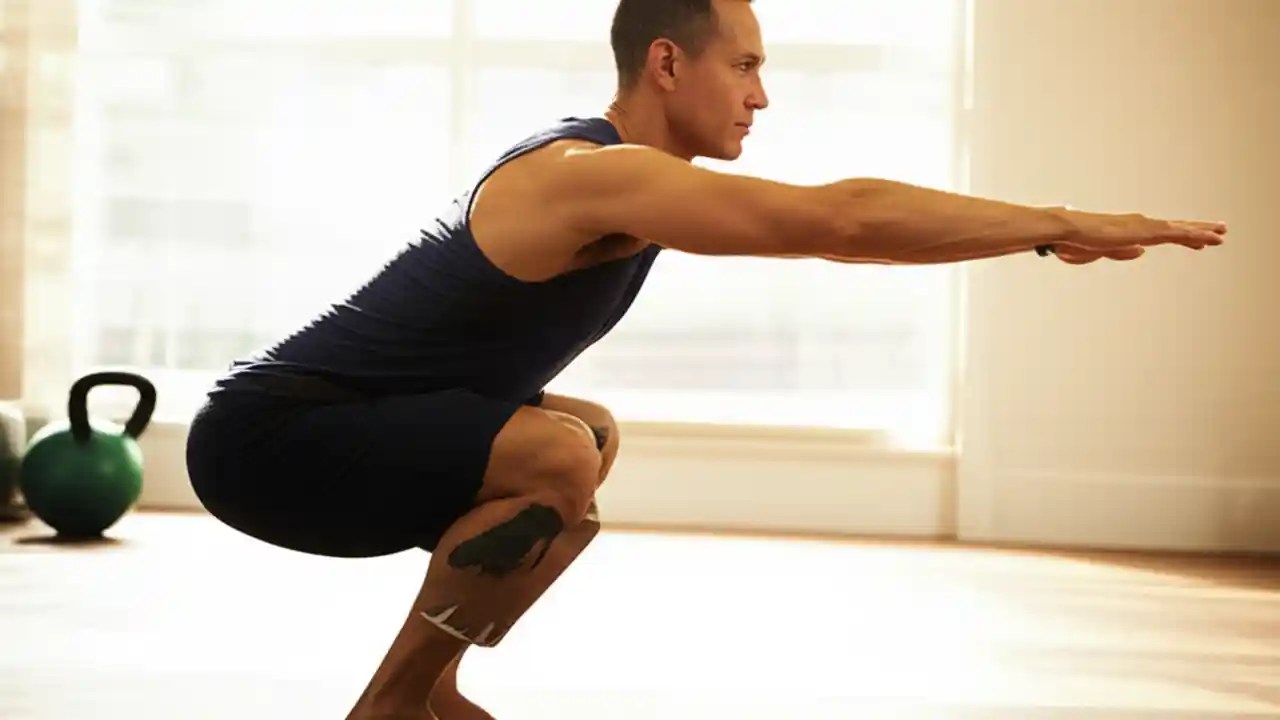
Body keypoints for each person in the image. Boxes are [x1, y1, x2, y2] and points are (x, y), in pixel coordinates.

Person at [184, 0, 1227, 717]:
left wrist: (1040, 229)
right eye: (746, 65)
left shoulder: (617, 172)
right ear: (666, 62)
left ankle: (427, 687)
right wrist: (1054, 220)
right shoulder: (590, 174)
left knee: (583, 435)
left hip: (316, 430)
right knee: (556, 457)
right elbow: (843, 222)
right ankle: (391, 706)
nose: (759, 96)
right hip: (268, 441)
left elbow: (839, 222)